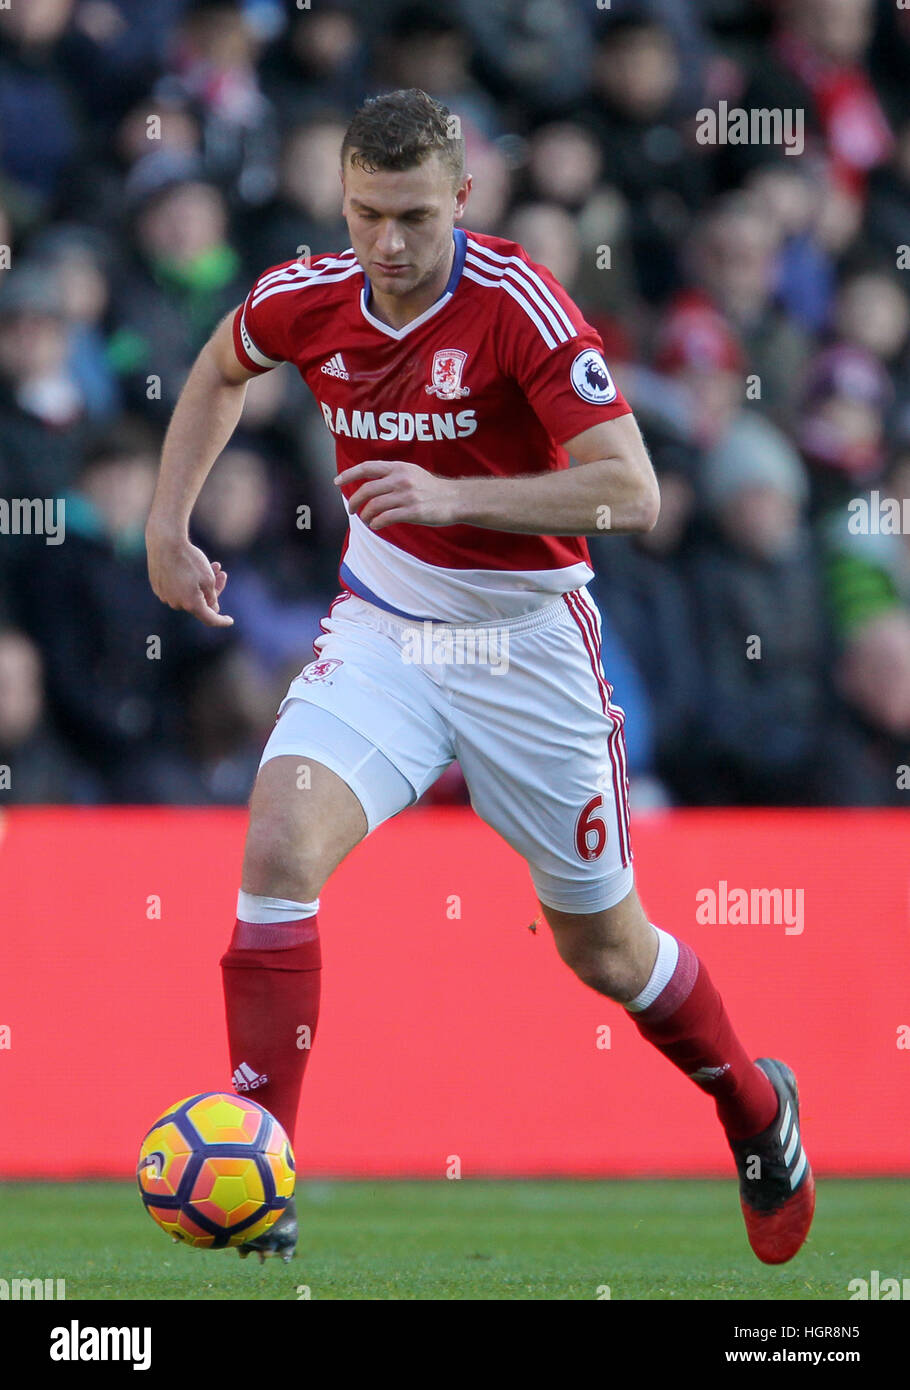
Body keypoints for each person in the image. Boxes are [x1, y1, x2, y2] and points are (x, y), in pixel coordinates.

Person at [145, 88, 814, 1266]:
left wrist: (458, 495)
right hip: (387, 629)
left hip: (526, 644)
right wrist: (166, 523)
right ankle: (266, 1173)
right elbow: (217, 365)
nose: (387, 244)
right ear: (339, 201)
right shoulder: (308, 295)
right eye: (363, 214)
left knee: (603, 950)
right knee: (277, 845)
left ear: (462, 196)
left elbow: (634, 491)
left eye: (410, 215)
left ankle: (756, 1109)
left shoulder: (519, 308)